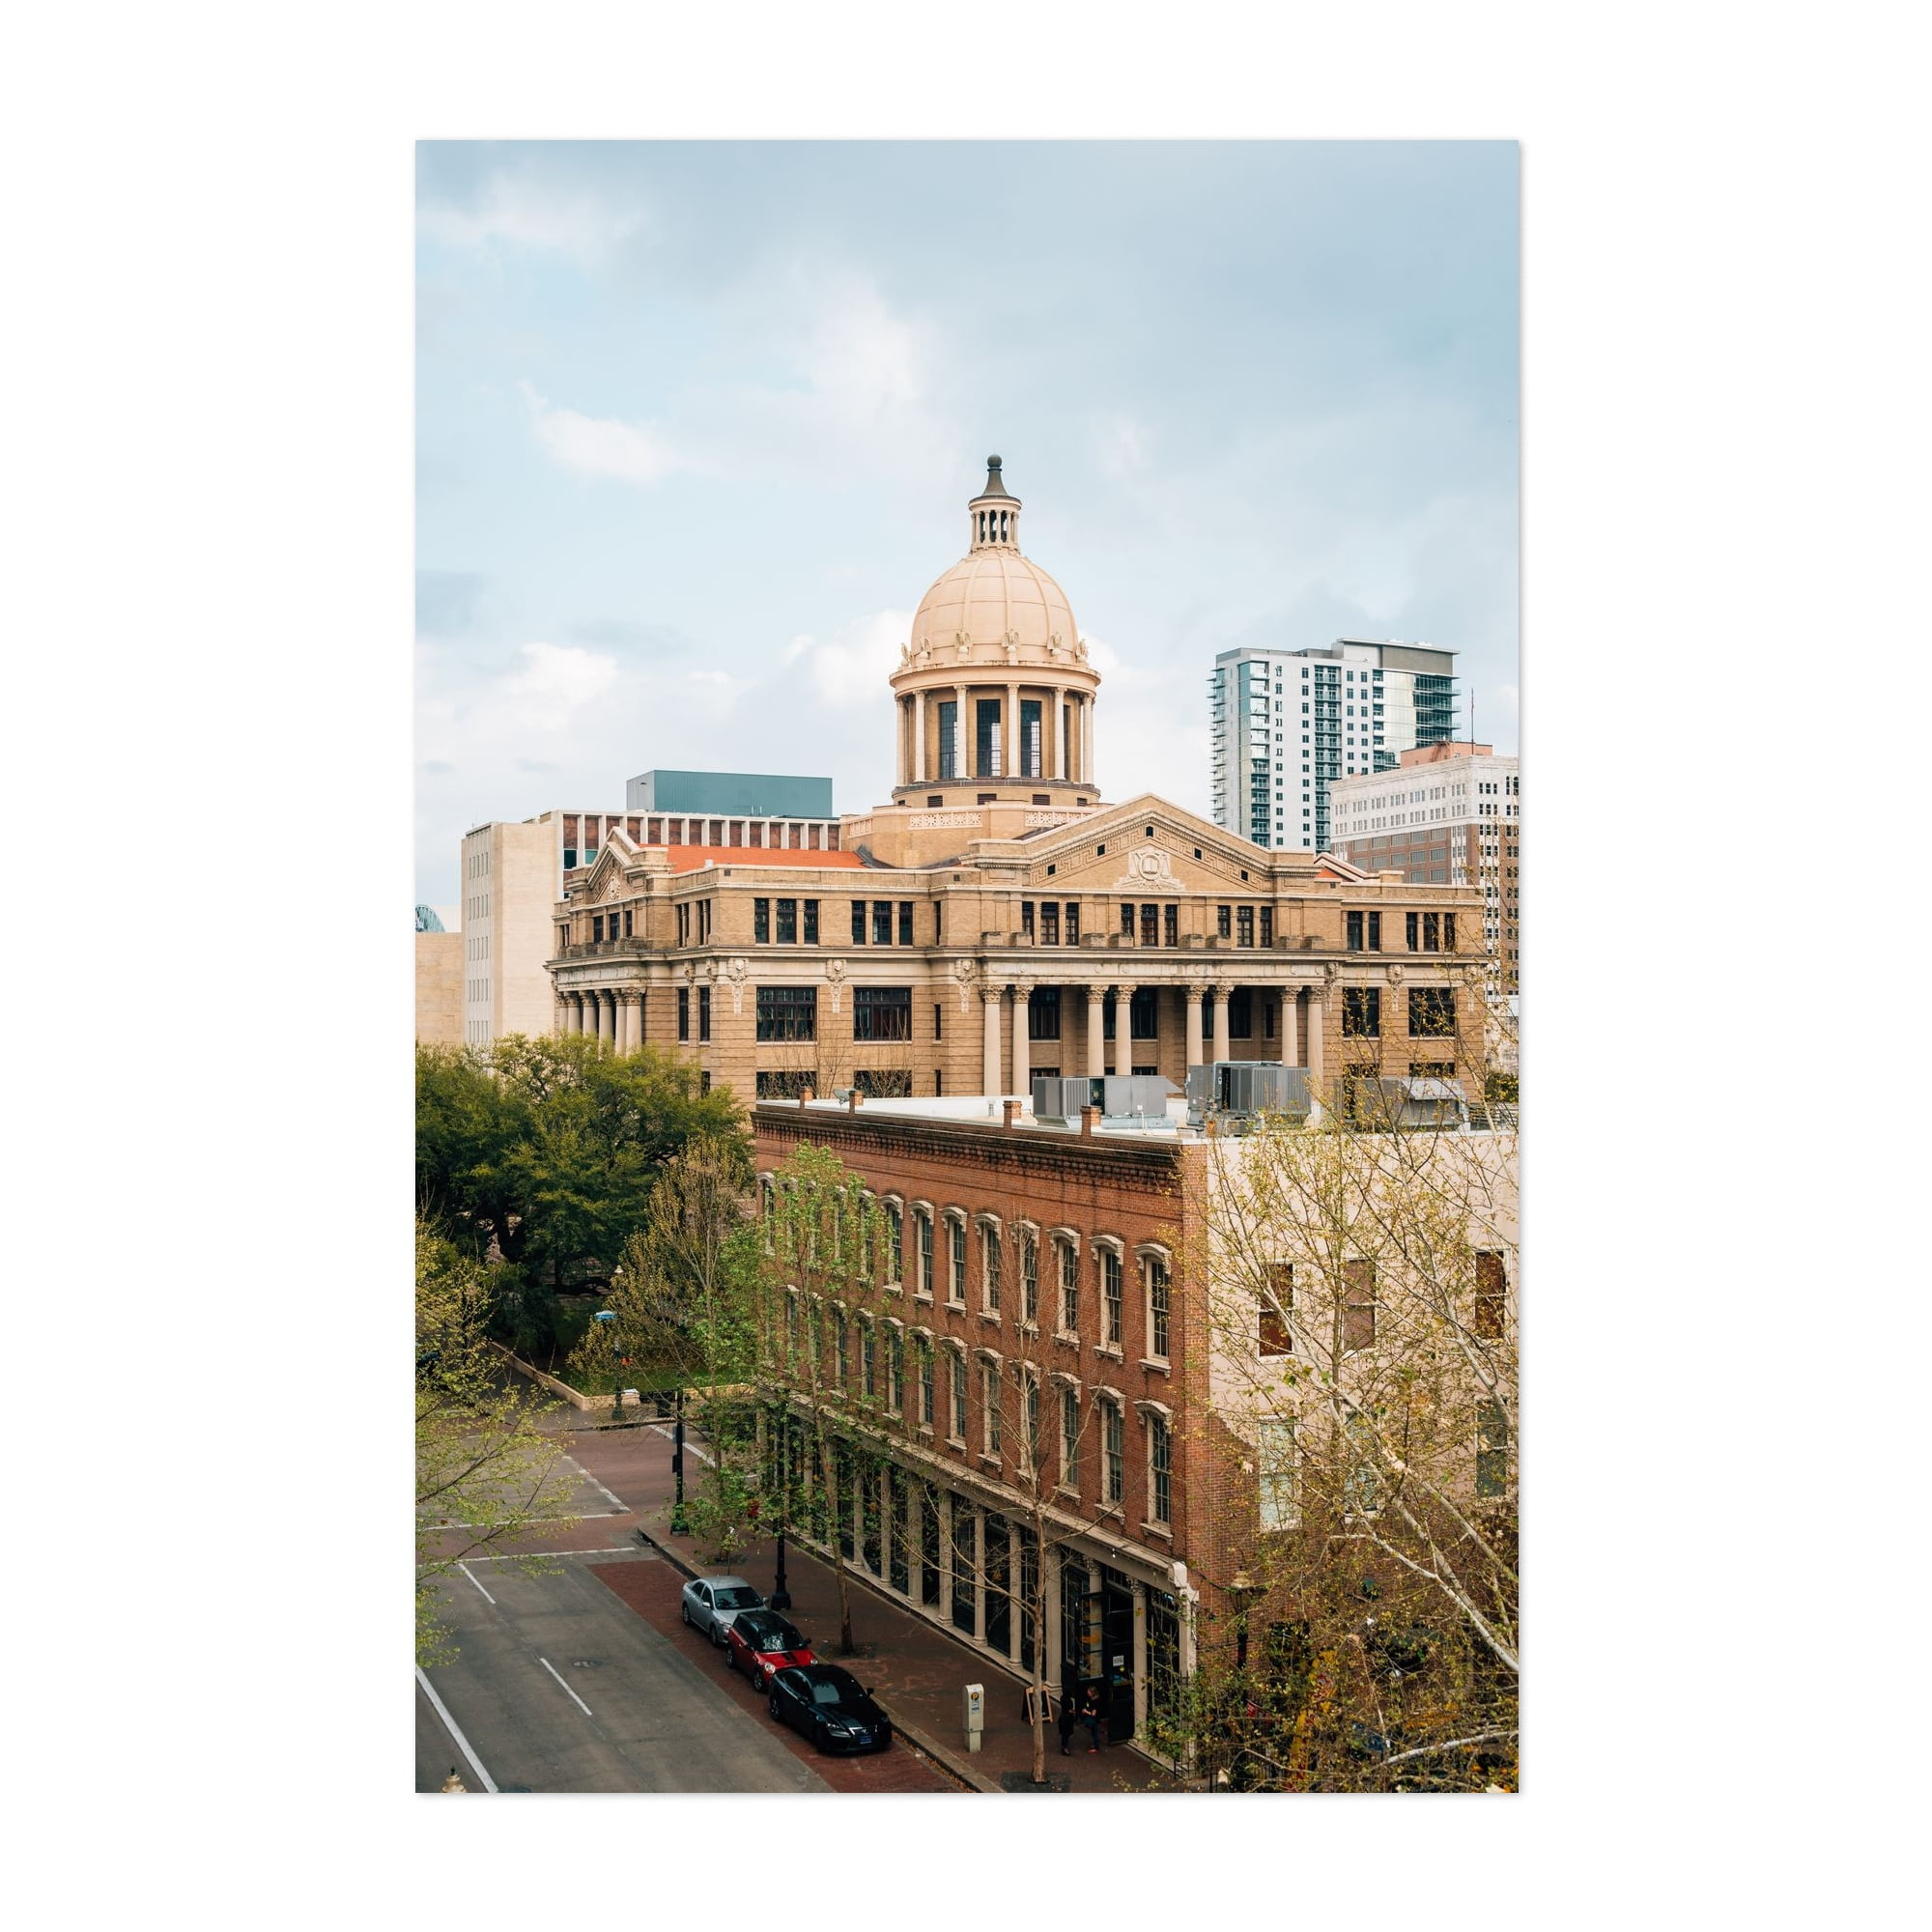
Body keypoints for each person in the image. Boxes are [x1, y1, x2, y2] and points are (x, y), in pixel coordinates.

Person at [1077, 1680, 1105, 1753]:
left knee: (1095, 1732)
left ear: (1092, 1693)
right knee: (1093, 1732)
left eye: (1089, 1691)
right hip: (1094, 1719)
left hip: (1094, 1719)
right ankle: (1096, 1744)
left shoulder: (1095, 1702)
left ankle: (1096, 1747)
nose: (1087, 1693)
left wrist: (1085, 1711)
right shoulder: (1091, 1699)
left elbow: (1093, 1714)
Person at [1057, 1681, 1077, 1756]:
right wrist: (1074, 1712)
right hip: (1068, 1719)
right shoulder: (1069, 1701)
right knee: (1066, 1733)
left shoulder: (1062, 1698)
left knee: (1064, 1734)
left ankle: (1064, 1746)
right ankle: (1065, 1748)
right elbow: (1070, 1710)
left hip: (1063, 1717)